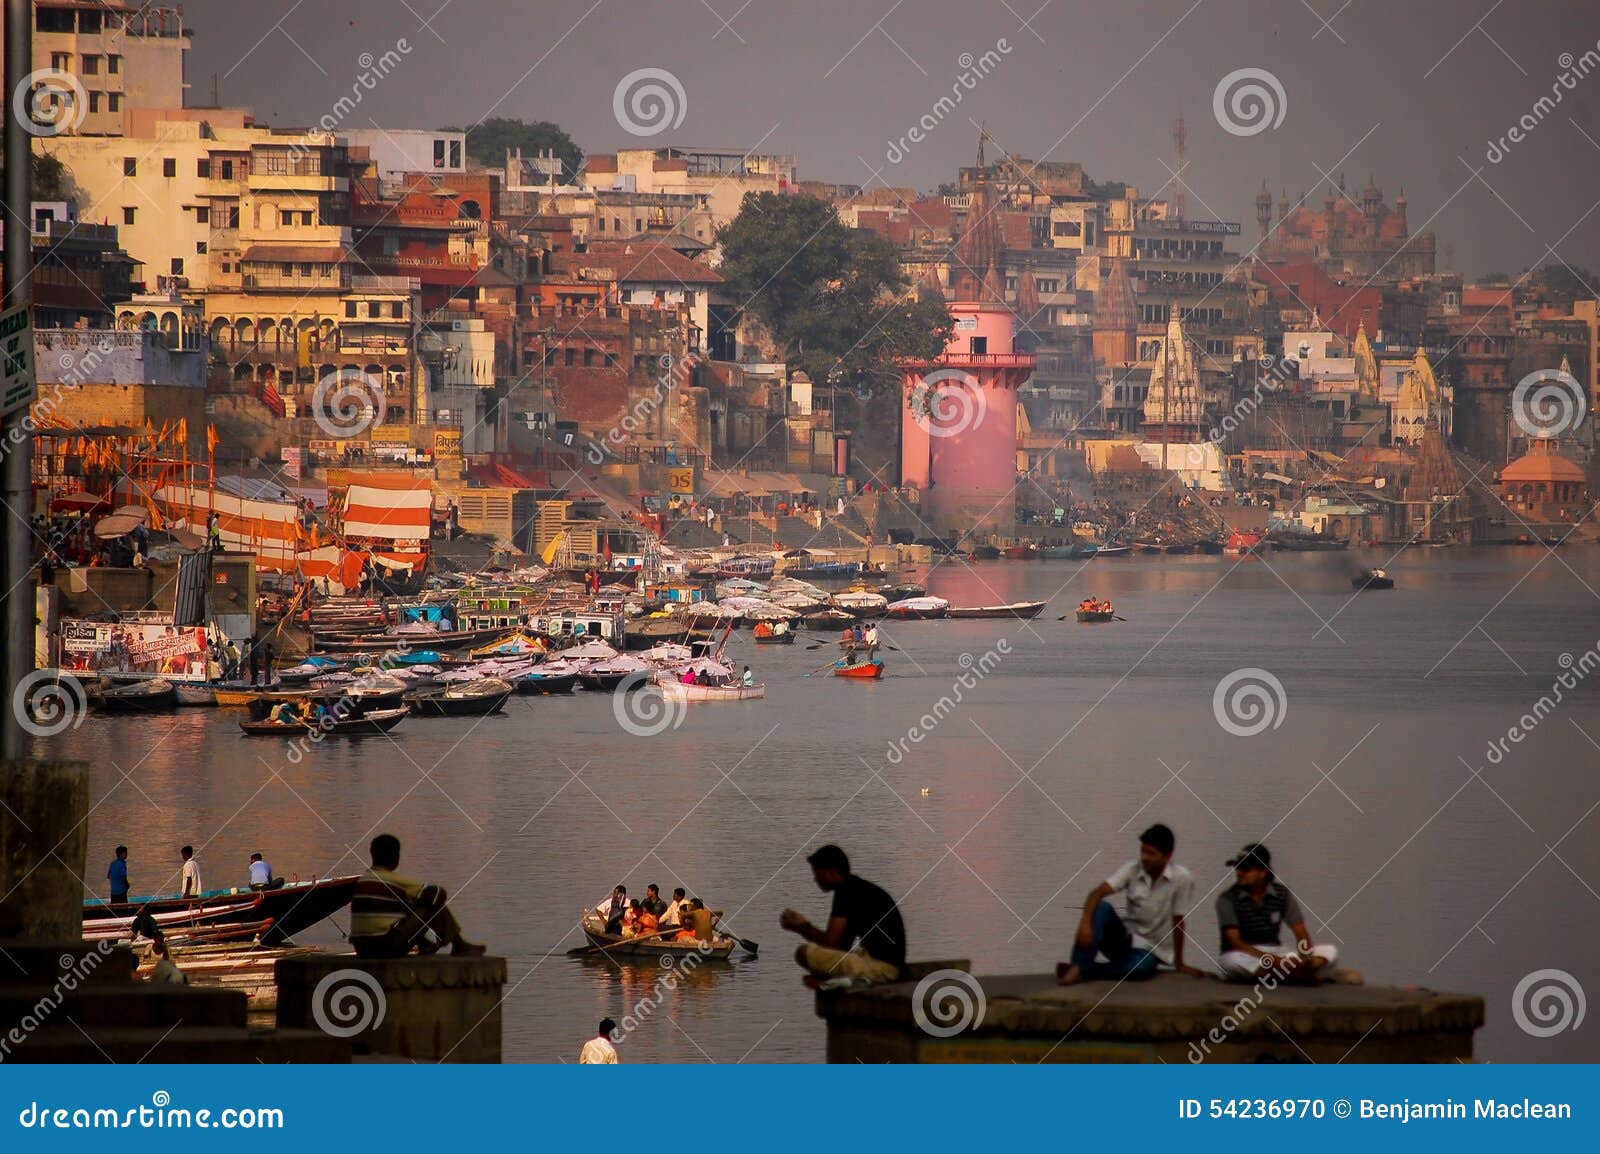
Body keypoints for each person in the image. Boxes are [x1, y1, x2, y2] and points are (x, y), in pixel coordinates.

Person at [1056, 823, 1197, 986]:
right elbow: (1097, 893)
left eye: (1151, 853)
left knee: (1141, 968)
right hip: (1125, 938)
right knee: (1102, 907)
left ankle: (1085, 969)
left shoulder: (1182, 878)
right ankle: (1078, 966)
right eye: (1143, 851)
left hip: (1150, 950)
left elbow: (1178, 921)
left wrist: (1180, 963)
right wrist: (1085, 923)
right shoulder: (1132, 869)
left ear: (1167, 856)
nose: (1144, 857)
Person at [780, 844, 905, 986]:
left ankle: (832, 982)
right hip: (884, 965)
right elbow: (840, 947)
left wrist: (801, 926)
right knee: (825, 957)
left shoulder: (845, 891)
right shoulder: (854, 887)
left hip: (883, 969)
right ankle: (830, 980)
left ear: (830, 872)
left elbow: (831, 943)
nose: (815, 878)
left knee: (802, 953)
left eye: (816, 872)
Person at [1216, 843, 1343, 984]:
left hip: (1276, 950)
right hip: (1246, 953)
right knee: (1232, 963)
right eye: (1237, 868)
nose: (1239, 873)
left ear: (1263, 872)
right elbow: (1235, 943)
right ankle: (1300, 975)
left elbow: (1300, 930)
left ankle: (1293, 973)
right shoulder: (1227, 898)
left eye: (1245, 869)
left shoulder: (1281, 894)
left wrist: (1306, 959)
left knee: (1330, 951)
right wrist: (1273, 961)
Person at [349, 833, 486, 958]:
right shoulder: (392, 881)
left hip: (362, 948)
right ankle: (459, 945)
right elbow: (438, 893)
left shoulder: (363, 880)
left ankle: (424, 944)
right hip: (387, 947)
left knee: (407, 905)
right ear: (395, 857)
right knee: (431, 905)